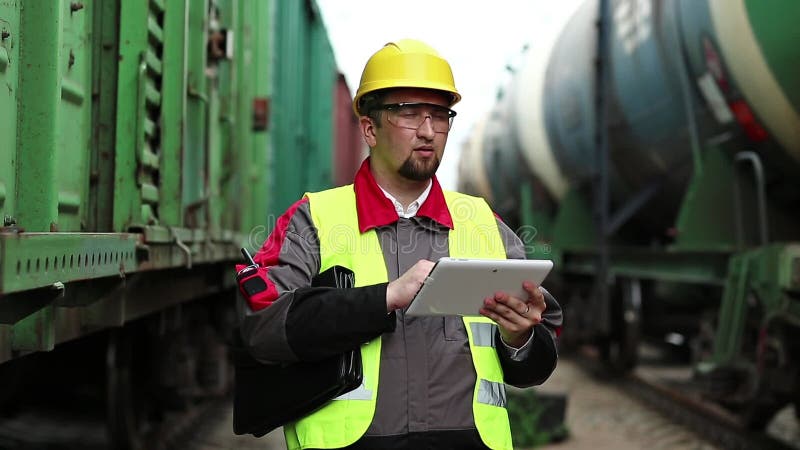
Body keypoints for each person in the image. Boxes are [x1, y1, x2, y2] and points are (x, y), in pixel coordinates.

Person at [236, 39, 563, 450]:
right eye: (409, 114)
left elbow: (537, 356)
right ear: (370, 128)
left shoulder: (485, 225)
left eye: (440, 115)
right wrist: (384, 298)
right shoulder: (313, 220)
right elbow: (262, 329)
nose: (428, 131)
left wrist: (521, 340)